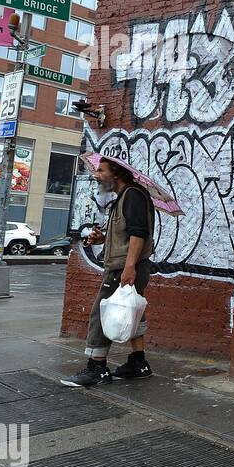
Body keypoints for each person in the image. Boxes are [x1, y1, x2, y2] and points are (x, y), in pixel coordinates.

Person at [62, 156, 156, 386]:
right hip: (127, 265)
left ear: (116, 174)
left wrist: (129, 267)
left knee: (101, 312)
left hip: (124, 268)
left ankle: (97, 367)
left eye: (101, 170)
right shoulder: (124, 197)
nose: (96, 174)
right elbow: (125, 233)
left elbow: (138, 234)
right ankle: (138, 362)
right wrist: (102, 237)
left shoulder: (132, 195)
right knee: (132, 312)